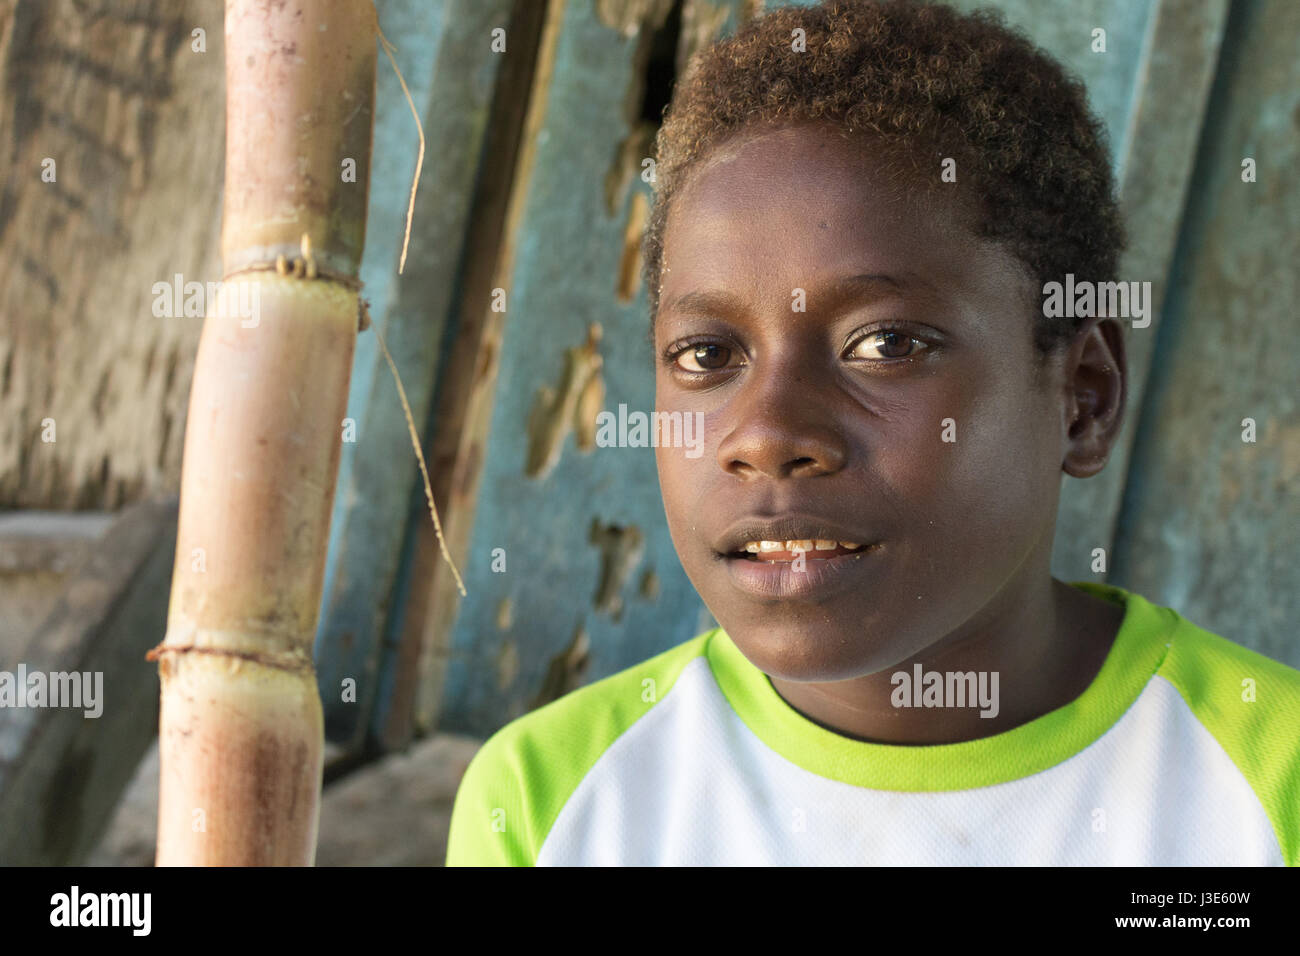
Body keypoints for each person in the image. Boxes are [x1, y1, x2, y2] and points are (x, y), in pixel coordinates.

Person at [446, 0, 1300, 865]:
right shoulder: (551, 801)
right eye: (707, 354)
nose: (769, 433)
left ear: (1082, 399)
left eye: (886, 344)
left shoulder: (1269, 787)